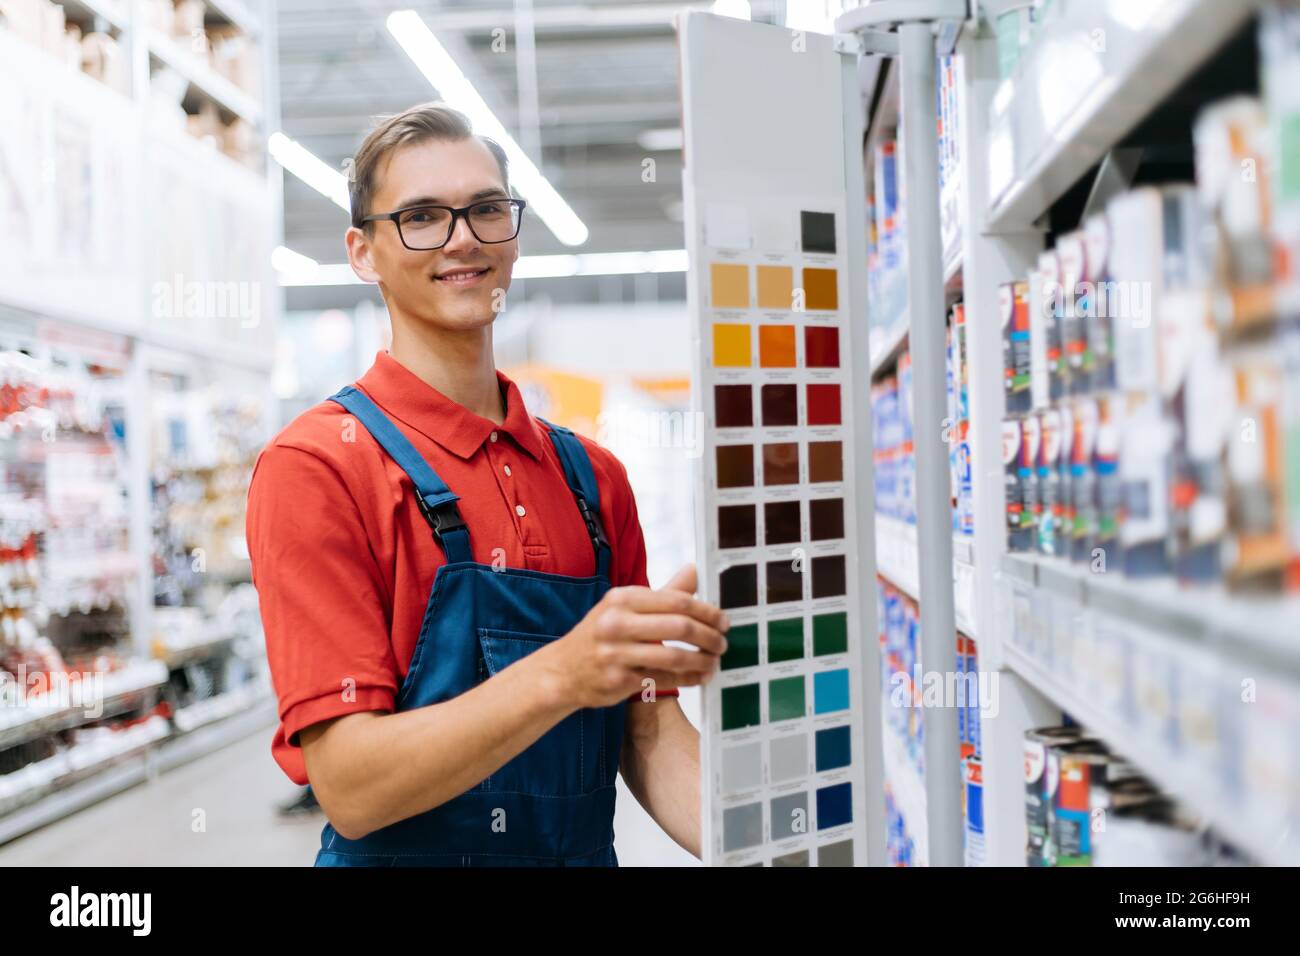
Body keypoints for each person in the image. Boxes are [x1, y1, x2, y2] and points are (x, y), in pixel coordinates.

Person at [246, 102, 728, 866]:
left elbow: (650, 731)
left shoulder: (594, 482)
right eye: (422, 217)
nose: (463, 237)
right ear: (362, 252)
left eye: (486, 210)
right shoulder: (319, 468)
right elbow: (352, 786)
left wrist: (781, 848)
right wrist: (563, 674)